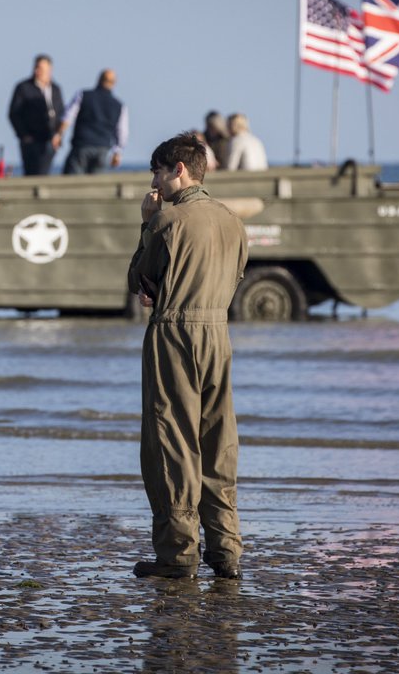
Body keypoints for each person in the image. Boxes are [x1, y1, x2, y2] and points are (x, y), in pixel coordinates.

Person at [127, 132, 248, 580]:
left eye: (158, 171)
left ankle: (178, 553)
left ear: (179, 170)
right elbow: (234, 276)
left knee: (172, 440)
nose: (154, 182)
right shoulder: (233, 220)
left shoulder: (168, 219)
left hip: (174, 331)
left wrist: (146, 221)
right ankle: (226, 549)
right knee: (219, 441)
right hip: (218, 331)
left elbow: (139, 277)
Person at [58, 68, 128, 174]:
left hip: (82, 145)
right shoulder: (119, 105)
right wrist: (117, 153)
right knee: (95, 187)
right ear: (114, 83)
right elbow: (122, 132)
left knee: (72, 184)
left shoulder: (83, 95)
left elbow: (68, 117)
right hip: (103, 149)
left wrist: (59, 134)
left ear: (99, 79)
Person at [7, 54, 65, 176]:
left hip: (50, 139)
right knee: (32, 173)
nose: (37, 71)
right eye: (36, 67)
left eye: (41, 68)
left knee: (44, 171)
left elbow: (61, 113)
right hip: (31, 140)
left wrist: (59, 134)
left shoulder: (55, 89)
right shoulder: (24, 88)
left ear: (49, 70)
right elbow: (14, 114)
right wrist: (24, 135)